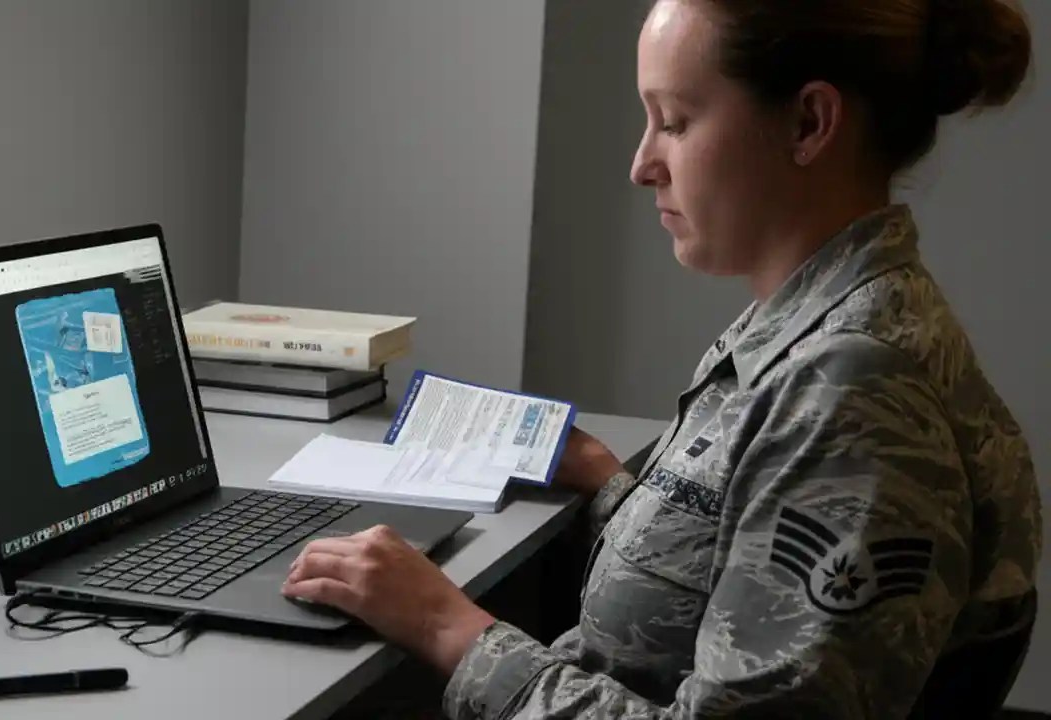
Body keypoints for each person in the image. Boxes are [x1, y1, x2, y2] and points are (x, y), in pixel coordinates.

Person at [282, 0, 1042, 717]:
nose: (643, 164)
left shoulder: (855, 393)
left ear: (809, 123)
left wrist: (445, 624)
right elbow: (738, 569)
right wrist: (610, 484)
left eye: (674, 122)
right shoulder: (820, 323)